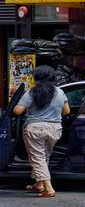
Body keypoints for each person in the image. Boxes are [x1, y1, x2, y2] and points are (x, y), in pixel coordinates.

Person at [13, 67, 70, 198]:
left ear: (36, 78)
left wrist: (17, 100)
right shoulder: (60, 92)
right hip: (55, 129)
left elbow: (17, 111)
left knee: (37, 158)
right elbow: (66, 111)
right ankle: (39, 184)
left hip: (35, 129)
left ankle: (49, 189)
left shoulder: (32, 92)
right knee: (44, 157)